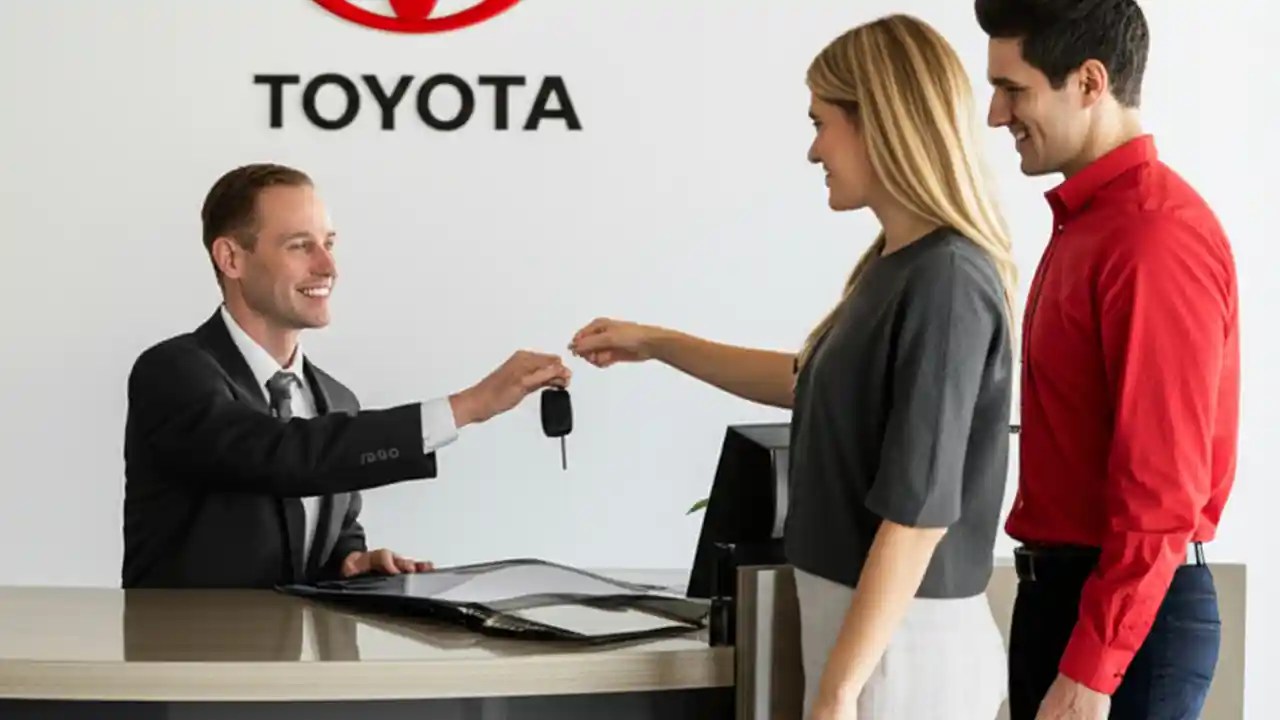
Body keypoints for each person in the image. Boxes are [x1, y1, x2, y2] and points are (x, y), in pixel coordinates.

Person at [570, 14, 1017, 720]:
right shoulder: (894, 270)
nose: (814, 151)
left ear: (880, 121)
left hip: (901, 652)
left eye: (821, 122)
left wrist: (838, 689)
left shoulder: (948, 281)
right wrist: (656, 343)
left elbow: (918, 515)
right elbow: (813, 387)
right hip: (864, 638)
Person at [122, 163, 571, 589]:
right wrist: (468, 406)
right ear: (231, 258)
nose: (328, 267)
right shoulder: (172, 373)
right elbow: (279, 456)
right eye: (300, 245)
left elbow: (326, 534)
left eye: (329, 244)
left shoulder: (337, 400)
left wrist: (350, 564)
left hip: (299, 668)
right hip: (186, 665)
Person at [974, 1, 1240, 718]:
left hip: (1121, 622)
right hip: (1066, 601)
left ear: (1089, 82)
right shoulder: (1092, 226)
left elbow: (1161, 490)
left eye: (1014, 89)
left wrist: (1093, 670)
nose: (996, 115)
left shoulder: (1152, 240)